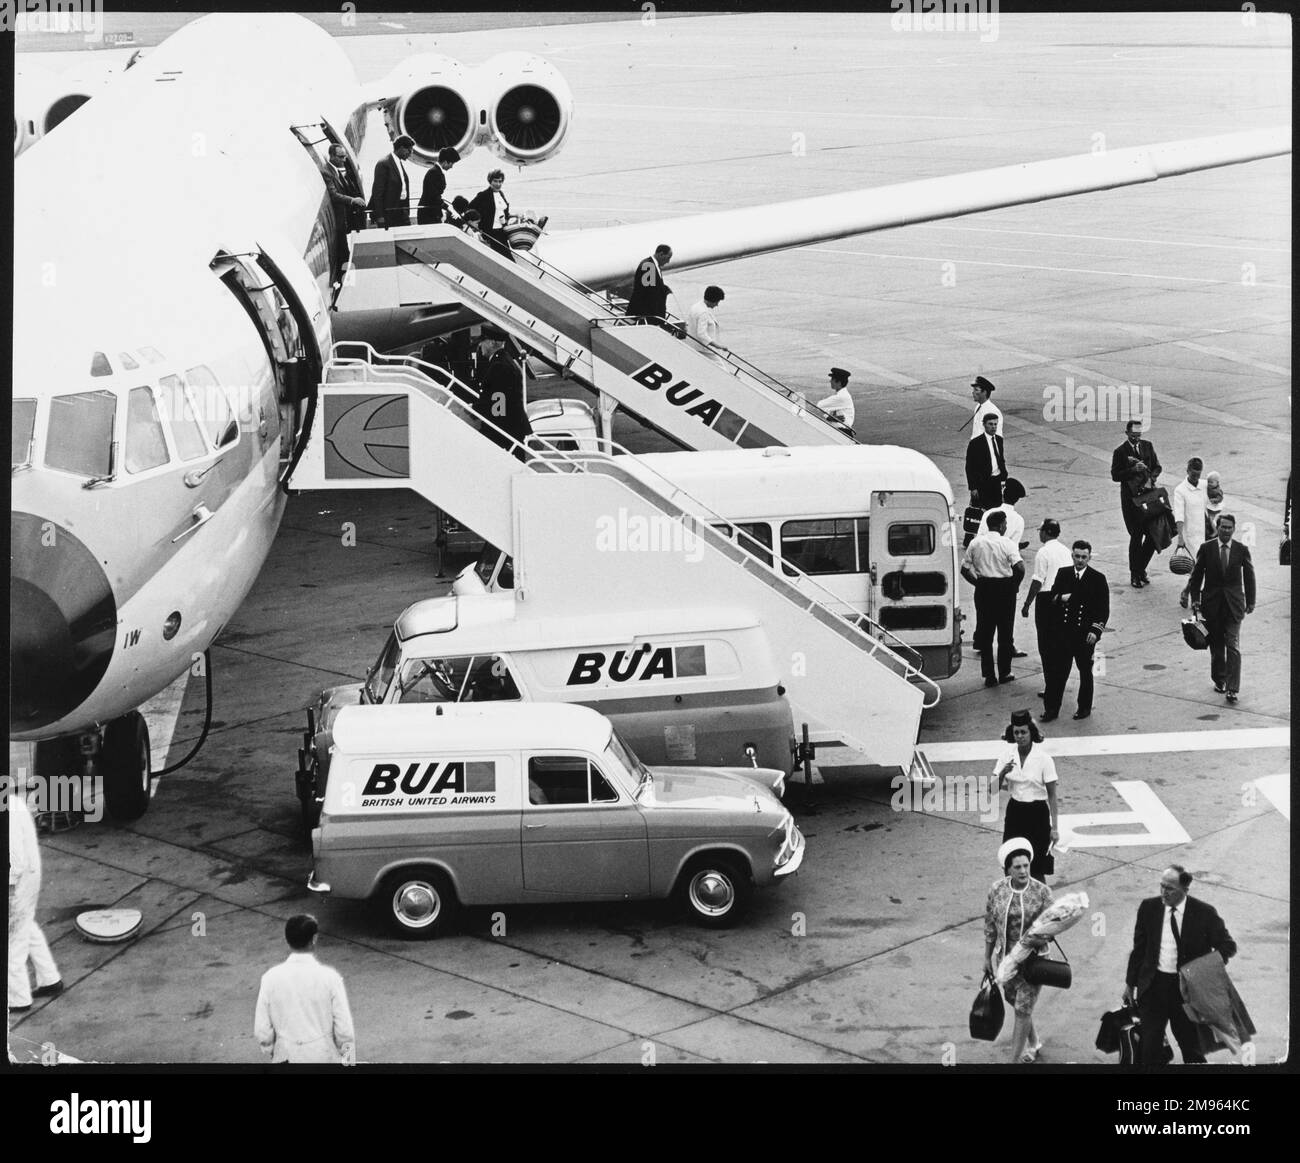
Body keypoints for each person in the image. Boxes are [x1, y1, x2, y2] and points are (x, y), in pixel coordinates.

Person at [1123, 865, 1237, 1064]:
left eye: (1170, 888)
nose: (1163, 892)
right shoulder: (1149, 908)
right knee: (1149, 1049)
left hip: (1186, 992)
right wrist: (1130, 984)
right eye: (1162, 886)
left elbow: (1227, 946)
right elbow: (1139, 949)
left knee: (1191, 1048)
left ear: (1185, 889)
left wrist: (1201, 970)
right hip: (1153, 988)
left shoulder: (1204, 913)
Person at [983, 838, 1053, 1063]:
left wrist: (1036, 938)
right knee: (1016, 1002)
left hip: (1034, 964)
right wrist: (987, 957)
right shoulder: (997, 890)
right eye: (1017, 867)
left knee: (1023, 1010)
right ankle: (1034, 1042)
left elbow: (1053, 927)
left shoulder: (1042, 892)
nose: (1023, 871)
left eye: (1026, 865)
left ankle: (1013, 1061)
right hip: (1006, 961)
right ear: (1008, 869)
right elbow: (990, 925)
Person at [254, 914, 355, 1064]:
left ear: (287, 940)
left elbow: (262, 1029)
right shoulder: (330, 978)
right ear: (314, 939)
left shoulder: (270, 978)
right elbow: (344, 1031)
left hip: (285, 1055)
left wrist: (270, 1050)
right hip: (322, 1055)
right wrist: (348, 1061)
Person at [1187, 513, 1255, 703]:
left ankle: (1232, 689)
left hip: (1234, 606)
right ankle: (1220, 679)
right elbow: (1196, 576)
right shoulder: (1206, 548)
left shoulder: (1241, 549)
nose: (1226, 530)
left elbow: (1249, 576)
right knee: (1217, 647)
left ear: (1234, 529)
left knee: (1232, 646)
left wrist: (1251, 601)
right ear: (1217, 528)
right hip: (1212, 605)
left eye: (1229, 527)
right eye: (1223, 527)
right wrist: (1195, 599)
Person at [1041, 539, 1108, 721]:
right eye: (1077, 556)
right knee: (1058, 673)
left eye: (1084, 557)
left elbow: (1103, 610)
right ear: (1072, 556)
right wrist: (1062, 598)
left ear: (1089, 558)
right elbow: (1052, 597)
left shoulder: (1097, 578)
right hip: (1064, 634)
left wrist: (1095, 631)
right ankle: (1051, 709)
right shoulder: (1063, 574)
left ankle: (1084, 707)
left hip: (1084, 635)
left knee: (1085, 672)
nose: (1080, 560)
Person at [8, 790, 63, 1012]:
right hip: (28, 876)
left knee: (12, 940)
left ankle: (18, 999)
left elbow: (15, 860)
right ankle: (50, 979)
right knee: (26, 926)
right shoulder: (13, 802)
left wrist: (9, 892)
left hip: (17, 881)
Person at [992, 710, 1059, 882]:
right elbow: (992, 790)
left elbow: (1052, 796)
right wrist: (1002, 773)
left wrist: (1054, 828)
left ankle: (1039, 897)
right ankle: (1013, 895)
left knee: (1036, 866)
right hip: (1015, 812)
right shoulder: (1007, 756)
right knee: (1011, 861)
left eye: (1023, 732)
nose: (1020, 736)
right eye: (1016, 733)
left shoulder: (1044, 759)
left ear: (1031, 732)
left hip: (1038, 813)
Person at [961, 509, 1024, 687]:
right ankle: (1004, 672)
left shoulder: (975, 543)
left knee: (985, 633)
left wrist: (978, 583)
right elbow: (1020, 568)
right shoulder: (1007, 543)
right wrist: (1014, 585)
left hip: (984, 588)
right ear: (1001, 525)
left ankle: (989, 674)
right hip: (1005, 589)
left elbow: (965, 569)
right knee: (1005, 633)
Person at [1021, 519, 1072, 695]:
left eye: (1041, 531)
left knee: (1046, 645)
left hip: (1046, 599)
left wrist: (1027, 603)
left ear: (1046, 532)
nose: (1040, 534)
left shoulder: (1043, 552)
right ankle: (1059, 682)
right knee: (1060, 642)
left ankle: (1051, 685)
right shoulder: (1066, 551)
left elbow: (1038, 580)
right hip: (1063, 598)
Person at [1109, 419, 1162, 588]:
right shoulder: (1120, 452)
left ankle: (1141, 568)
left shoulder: (1148, 446)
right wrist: (1133, 470)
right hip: (1131, 501)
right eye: (1133, 436)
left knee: (1153, 535)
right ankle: (1135, 573)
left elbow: (1157, 467)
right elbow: (1115, 475)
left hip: (1148, 497)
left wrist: (1151, 478)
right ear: (1127, 433)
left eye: (1139, 435)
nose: (1136, 439)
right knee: (1136, 536)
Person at [473, 327, 533, 458]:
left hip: (505, 430)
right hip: (512, 427)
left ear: (491, 343)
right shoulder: (504, 360)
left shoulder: (499, 366)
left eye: (482, 341)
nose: (480, 345)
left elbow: (498, 402)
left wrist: (474, 410)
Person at [322, 143, 367, 284]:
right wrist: (352, 200)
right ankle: (347, 283)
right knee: (344, 254)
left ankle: (349, 282)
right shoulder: (327, 172)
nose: (344, 160)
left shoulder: (336, 170)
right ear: (332, 156)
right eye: (341, 157)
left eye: (345, 156)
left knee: (348, 253)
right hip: (341, 222)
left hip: (347, 221)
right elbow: (334, 195)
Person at [1172, 456, 1207, 608]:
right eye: (1193, 475)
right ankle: (1195, 600)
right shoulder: (1180, 490)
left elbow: (1215, 499)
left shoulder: (1204, 485)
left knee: (1201, 569)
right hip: (1190, 535)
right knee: (1199, 568)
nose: (1196, 478)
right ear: (1187, 471)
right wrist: (1180, 537)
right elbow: (1179, 516)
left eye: (1198, 475)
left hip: (1206, 532)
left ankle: (1186, 592)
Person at [369, 134, 415, 228]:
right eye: (409, 150)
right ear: (401, 148)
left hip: (402, 211)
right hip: (389, 214)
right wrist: (380, 216)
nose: (410, 154)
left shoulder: (398, 162)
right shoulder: (383, 164)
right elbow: (377, 192)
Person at [965, 411, 1008, 511]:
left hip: (997, 481)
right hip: (983, 483)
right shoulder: (976, 443)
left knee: (998, 510)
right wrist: (973, 487)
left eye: (995, 424)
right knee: (984, 510)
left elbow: (1001, 459)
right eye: (990, 424)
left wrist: (1004, 477)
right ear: (984, 425)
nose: (993, 427)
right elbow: (969, 467)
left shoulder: (999, 440)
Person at [468, 169, 514, 260]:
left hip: (501, 232)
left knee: (506, 258)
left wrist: (513, 216)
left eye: (500, 181)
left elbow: (503, 212)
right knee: (505, 259)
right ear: (490, 181)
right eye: (495, 181)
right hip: (490, 233)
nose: (498, 184)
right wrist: (478, 226)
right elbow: (470, 209)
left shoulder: (501, 194)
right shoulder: (483, 195)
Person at [626, 244, 674, 324]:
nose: (668, 261)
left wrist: (664, 288)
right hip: (647, 315)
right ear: (661, 254)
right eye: (668, 258)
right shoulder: (649, 266)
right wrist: (655, 318)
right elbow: (650, 294)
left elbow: (651, 287)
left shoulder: (652, 265)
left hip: (649, 314)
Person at [417, 146, 460, 225]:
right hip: (428, 213)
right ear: (445, 162)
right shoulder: (434, 173)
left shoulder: (437, 171)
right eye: (452, 164)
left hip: (431, 211)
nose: (451, 167)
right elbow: (433, 196)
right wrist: (447, 207)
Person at [686, 286, 727, 359]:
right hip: (704, 350)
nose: (717, 305)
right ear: (712, 300)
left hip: (693, 345)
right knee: (719, 365)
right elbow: (701, 334)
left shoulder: (695, 307)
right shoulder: (703, 313)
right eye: (717, 302)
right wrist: (718, 346)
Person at [816, 368, 855, 432]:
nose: (830, 381)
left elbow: (819, 405)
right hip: (840, 430)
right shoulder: (843, 394)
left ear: (839, 383)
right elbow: (825, 408)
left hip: (842, 431)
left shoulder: (841, 396)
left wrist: (828, 417)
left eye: (832, 379)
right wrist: (830, 417)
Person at [1203, 470, 1228, 540]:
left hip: (1214, 507)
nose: (1209, 484)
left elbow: (1220, 498)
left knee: (1210, 518)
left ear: (1217, 482)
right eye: (1208, 482)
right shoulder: (1209, 487)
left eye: (1211, 482)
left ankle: (1215, 531)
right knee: (1209, 517)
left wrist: (1214, 500)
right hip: (1210, 505)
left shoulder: (1217, 490)